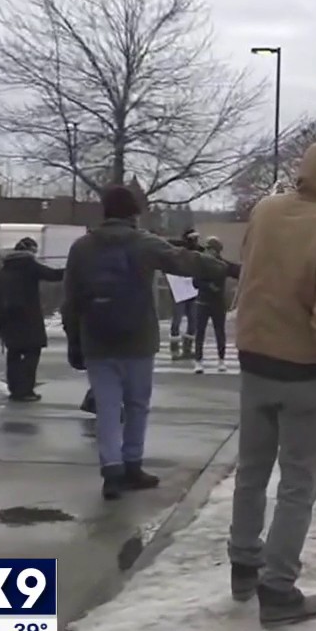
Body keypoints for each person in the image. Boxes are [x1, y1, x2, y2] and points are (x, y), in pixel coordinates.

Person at [228, 140, 316, 626]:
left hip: (255, 360)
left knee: (251, 469)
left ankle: (243, 564)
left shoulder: (265, 212)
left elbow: (247, 279)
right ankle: (278, 588)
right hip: (305, 371)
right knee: (298, 481)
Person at [62, 184, 230, 501]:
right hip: (138, 337)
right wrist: (221, 267)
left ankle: (111, 472)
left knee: (109, 409)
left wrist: (75, 340)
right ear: (133, 214)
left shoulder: (82, 248)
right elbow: (184, 261)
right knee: (137, 405)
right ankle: (132, 465)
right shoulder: (144, 243)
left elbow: (69, 299)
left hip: (97, 339)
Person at [0, 237, 64, 401]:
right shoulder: (29, 265)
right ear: (30, 251)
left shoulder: (6, 267)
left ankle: (14, 389)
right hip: (28, 317)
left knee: (13, 354)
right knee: (32, 353)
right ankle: (25, 390)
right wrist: (73, 267)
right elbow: (53, 275)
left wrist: (0, 320)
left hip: (8, 317)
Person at [191, 236, 241, 374]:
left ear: (217, 251)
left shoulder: (222, 264)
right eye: (207, 249)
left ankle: (221, 360)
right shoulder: (201, 264)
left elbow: (237, 271)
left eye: (210, 249)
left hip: (218, 303)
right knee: (199, 332)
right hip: (202, 302)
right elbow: (195, 283)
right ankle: (198, 361)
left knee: (220, 332)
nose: (208, 251)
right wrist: (208, 286)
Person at [168, 229, 203, 360]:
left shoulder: (198, 251)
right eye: (192, 239)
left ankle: (187, 349)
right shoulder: (177, 250)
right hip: (179, 290)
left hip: (192, 290)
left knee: (193, 320)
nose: (195, 242)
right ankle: (175, 350)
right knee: (177, 320)